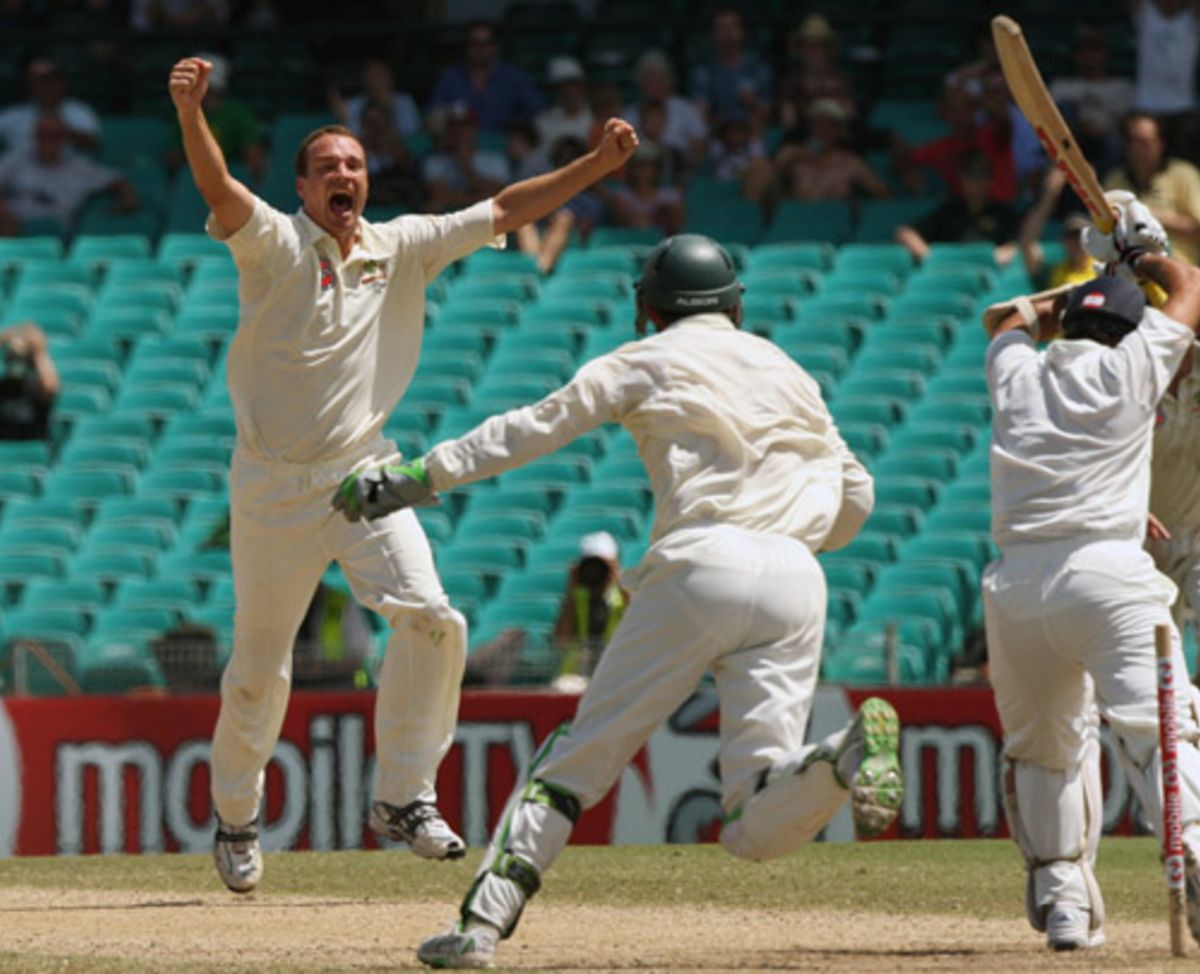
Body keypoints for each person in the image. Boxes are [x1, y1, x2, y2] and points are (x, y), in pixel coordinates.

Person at [331, 233, 904, 970]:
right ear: (734, 305)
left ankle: (479, 930)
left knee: (573, 764)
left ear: (649, 309)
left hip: (701, 562)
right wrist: (798, 534)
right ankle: (842, 754)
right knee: (751, 821)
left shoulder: (643, 359)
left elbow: (533, 427)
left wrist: (419, 476)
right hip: (798, 574)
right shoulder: (789, 371)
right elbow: (857, 498)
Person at [167, 55, 638, 895]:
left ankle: (404, 796)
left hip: (363, 478)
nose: (342, 175)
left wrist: (596, 167)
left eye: (353, 164)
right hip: (272, 490)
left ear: (366, 179)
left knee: (432, 619)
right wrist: (190, 110)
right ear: (303, 187)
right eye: (326, 167)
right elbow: (218, 187)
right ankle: (237, 818)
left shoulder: (403, 245)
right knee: (257, 672)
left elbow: (506, 208)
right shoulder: (274, 243)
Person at [980, 195, 1200, 951]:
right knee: (1160, 732)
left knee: (1045, 751)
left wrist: (1089, 282)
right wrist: (1141, 258)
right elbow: (1192, 285)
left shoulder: (1019, 374)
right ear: (1131, 330)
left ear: (1069, 324)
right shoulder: (1136, 365)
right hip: (1108, 574)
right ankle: (1196, 854)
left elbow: (1003, 321)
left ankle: (1064, 904)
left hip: (1016, 587)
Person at [0, 114, 138, 236]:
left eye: (55, 135)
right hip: (11, 225)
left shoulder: (80, 167)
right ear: (35, 136)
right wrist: (4, 213)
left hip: (53, 232)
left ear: (65, 138)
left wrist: (127, 198)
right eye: (43, 134)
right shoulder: (15, 159)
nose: (49, 140)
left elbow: (117, 180)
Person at [1104, 111, 1200, 265]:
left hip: (1177, 268)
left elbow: (1197, 229)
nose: (1138, 148)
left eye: (1144, 142)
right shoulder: (1115, 181)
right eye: (1132, 141)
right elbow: (1104, 232)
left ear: (1160, 144)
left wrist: (1146, 216)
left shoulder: (1184, 175)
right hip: (1128, 269)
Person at [895, 152, 1019, 265]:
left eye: (982, 177)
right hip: (948, 270)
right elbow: (904, 233)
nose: (976, 184)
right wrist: (930, 257)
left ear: (990, 180)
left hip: (987, 272)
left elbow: (1020, 242)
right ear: (962, 179)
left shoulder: (1003, 213)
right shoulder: (948, 211)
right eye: (971, 177)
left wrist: (997, 257)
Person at [1049, 26, 1135, 179]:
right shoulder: (1061, 86)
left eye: (1096, 48)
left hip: (1107, 143)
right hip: (1071, 140)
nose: (1089, 55)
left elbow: (1127, 124)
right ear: (1075, 54)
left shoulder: (1121, 87)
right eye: (1083, 49)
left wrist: (1100, 129)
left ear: (1105, 53)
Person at [429, 21, 543, 134]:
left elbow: (538, 112)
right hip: (460, 143)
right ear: (466, 47)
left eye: (486, 43)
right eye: (474, 43)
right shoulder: (451, 78)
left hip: (503, 142)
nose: (480, 49)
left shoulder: (514, 78)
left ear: (496, 47)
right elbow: (434, 116)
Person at [167, 53, 265, 184]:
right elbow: (174, 157)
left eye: (211, 88)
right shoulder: (185, 112)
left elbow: (254, 156)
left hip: (233, 177)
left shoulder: (237, 113)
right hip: (196, 178)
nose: (207, 93)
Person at [774, 99, 890, 202]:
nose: (824, 129)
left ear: (840, 131)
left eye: (831, 125)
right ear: (810, 128)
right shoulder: (791, 154)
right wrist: (785, 160)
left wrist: (859, 208)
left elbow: (885, 195)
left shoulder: (850, 162)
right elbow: (768, 187)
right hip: (796, 217)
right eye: (818, 124)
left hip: (835, 217)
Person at [551, 531, 627, 687]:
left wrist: (618, 579)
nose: (596, 571)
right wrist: (570, 590)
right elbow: (561, 639)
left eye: (602, 565)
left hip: (616, 668)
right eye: (591, 565)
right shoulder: (578, 597)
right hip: (580, 672)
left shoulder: (623, 595)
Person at [1132, 0, 1200, 159]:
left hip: (1182, 108)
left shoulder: (1192, 21)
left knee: (1183, 164)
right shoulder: (1147, 16)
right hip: (1147, 106)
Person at [689, 7, 772, 133]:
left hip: (753, 134)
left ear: (743, 32)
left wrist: (752, 103)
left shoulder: (759, 69)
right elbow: (699, 117)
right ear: (714, 35)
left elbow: (767, 117)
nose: (728, 33)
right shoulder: (703, 72)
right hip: (717, 135)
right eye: (722, 28)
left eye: (732, 27)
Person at [624, 50, 708, 174]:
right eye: (647, 80)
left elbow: (699, 146)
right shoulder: (630, 114)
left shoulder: (686, 110)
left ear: (668, 80)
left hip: (680, 172)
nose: (652, 84)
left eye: (657, 79)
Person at [423, 102, 510, 214]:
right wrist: (480, 197)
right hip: (450, 217)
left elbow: (500, 195)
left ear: (475, 128)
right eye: (455, 127)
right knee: (432, 207)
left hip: (486, 217)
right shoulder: (435, 161)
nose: (461, 132)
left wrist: (466, 167)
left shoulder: (495, 159)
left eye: (466, 126)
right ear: (448, 131)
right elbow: (440, 195)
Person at [0, 57, 100, 154]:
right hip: (20, 165)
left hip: (67, 164)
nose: (47, 85)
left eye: (52, 80)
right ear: (30, 84)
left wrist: (61, 131)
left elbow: (94, 145)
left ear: (62, 82)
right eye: (41, 81)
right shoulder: (12, 115)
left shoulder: (79, 111)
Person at [1018, 168, 1097, 290]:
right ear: (1064, 241)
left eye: (1081, 236)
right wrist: (1049, 196)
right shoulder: (1053, 271)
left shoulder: (1103, 267)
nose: (1077, 242)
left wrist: (1093, 189)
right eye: (1071, 236)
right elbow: (1026, 245)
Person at [329, 57, 421, 142]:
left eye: (380, 74)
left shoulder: (405, 101)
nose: (376, 79)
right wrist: (344, 120)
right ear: (364, 79)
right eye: (371, 75)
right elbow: (354, 136)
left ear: (390, 77)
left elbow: (412, 135)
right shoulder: (351, 105)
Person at [608, 142, 685, 238]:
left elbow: (678, 226)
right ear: (632, 168)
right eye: (640, 165)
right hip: (629, 241)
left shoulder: (672, 196)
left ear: (658, 168)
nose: (645, 170)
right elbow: (622, 221)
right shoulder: (621, 195)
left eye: (650, 165)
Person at [0, 322, 57, 441]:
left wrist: (38, 351)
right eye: (12, 358)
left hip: (33, 445)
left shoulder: (35, 388)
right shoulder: (3, 387)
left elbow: (50, 386)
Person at [534, 56, 593, 154]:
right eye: (562, 86)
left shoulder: (598, 117)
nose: (568, 91)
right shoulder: (542, 124)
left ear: (582, 86)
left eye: (573, 84)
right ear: (554, 90)